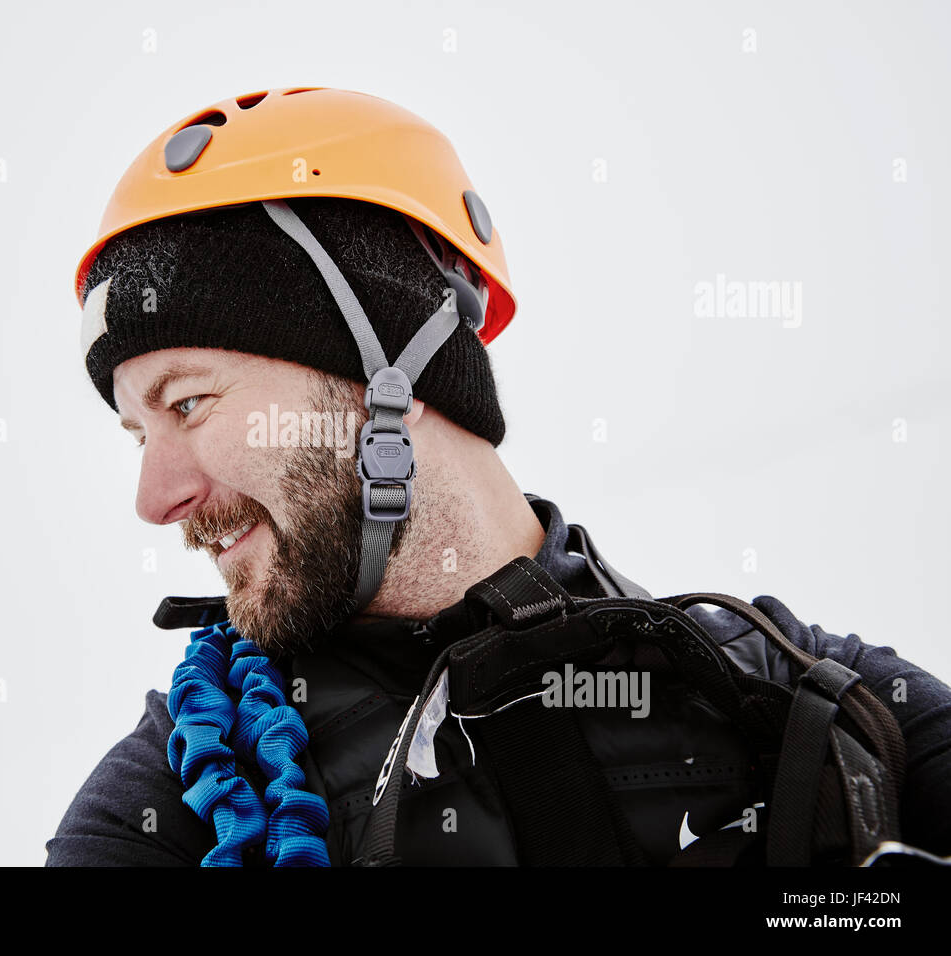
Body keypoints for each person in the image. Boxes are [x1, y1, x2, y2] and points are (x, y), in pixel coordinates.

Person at [46, 87, 951, 866]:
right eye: (136, 435)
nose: (154, 498)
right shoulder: (175, 799)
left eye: (190, 404)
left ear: (391, 378)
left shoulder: (807, 694)